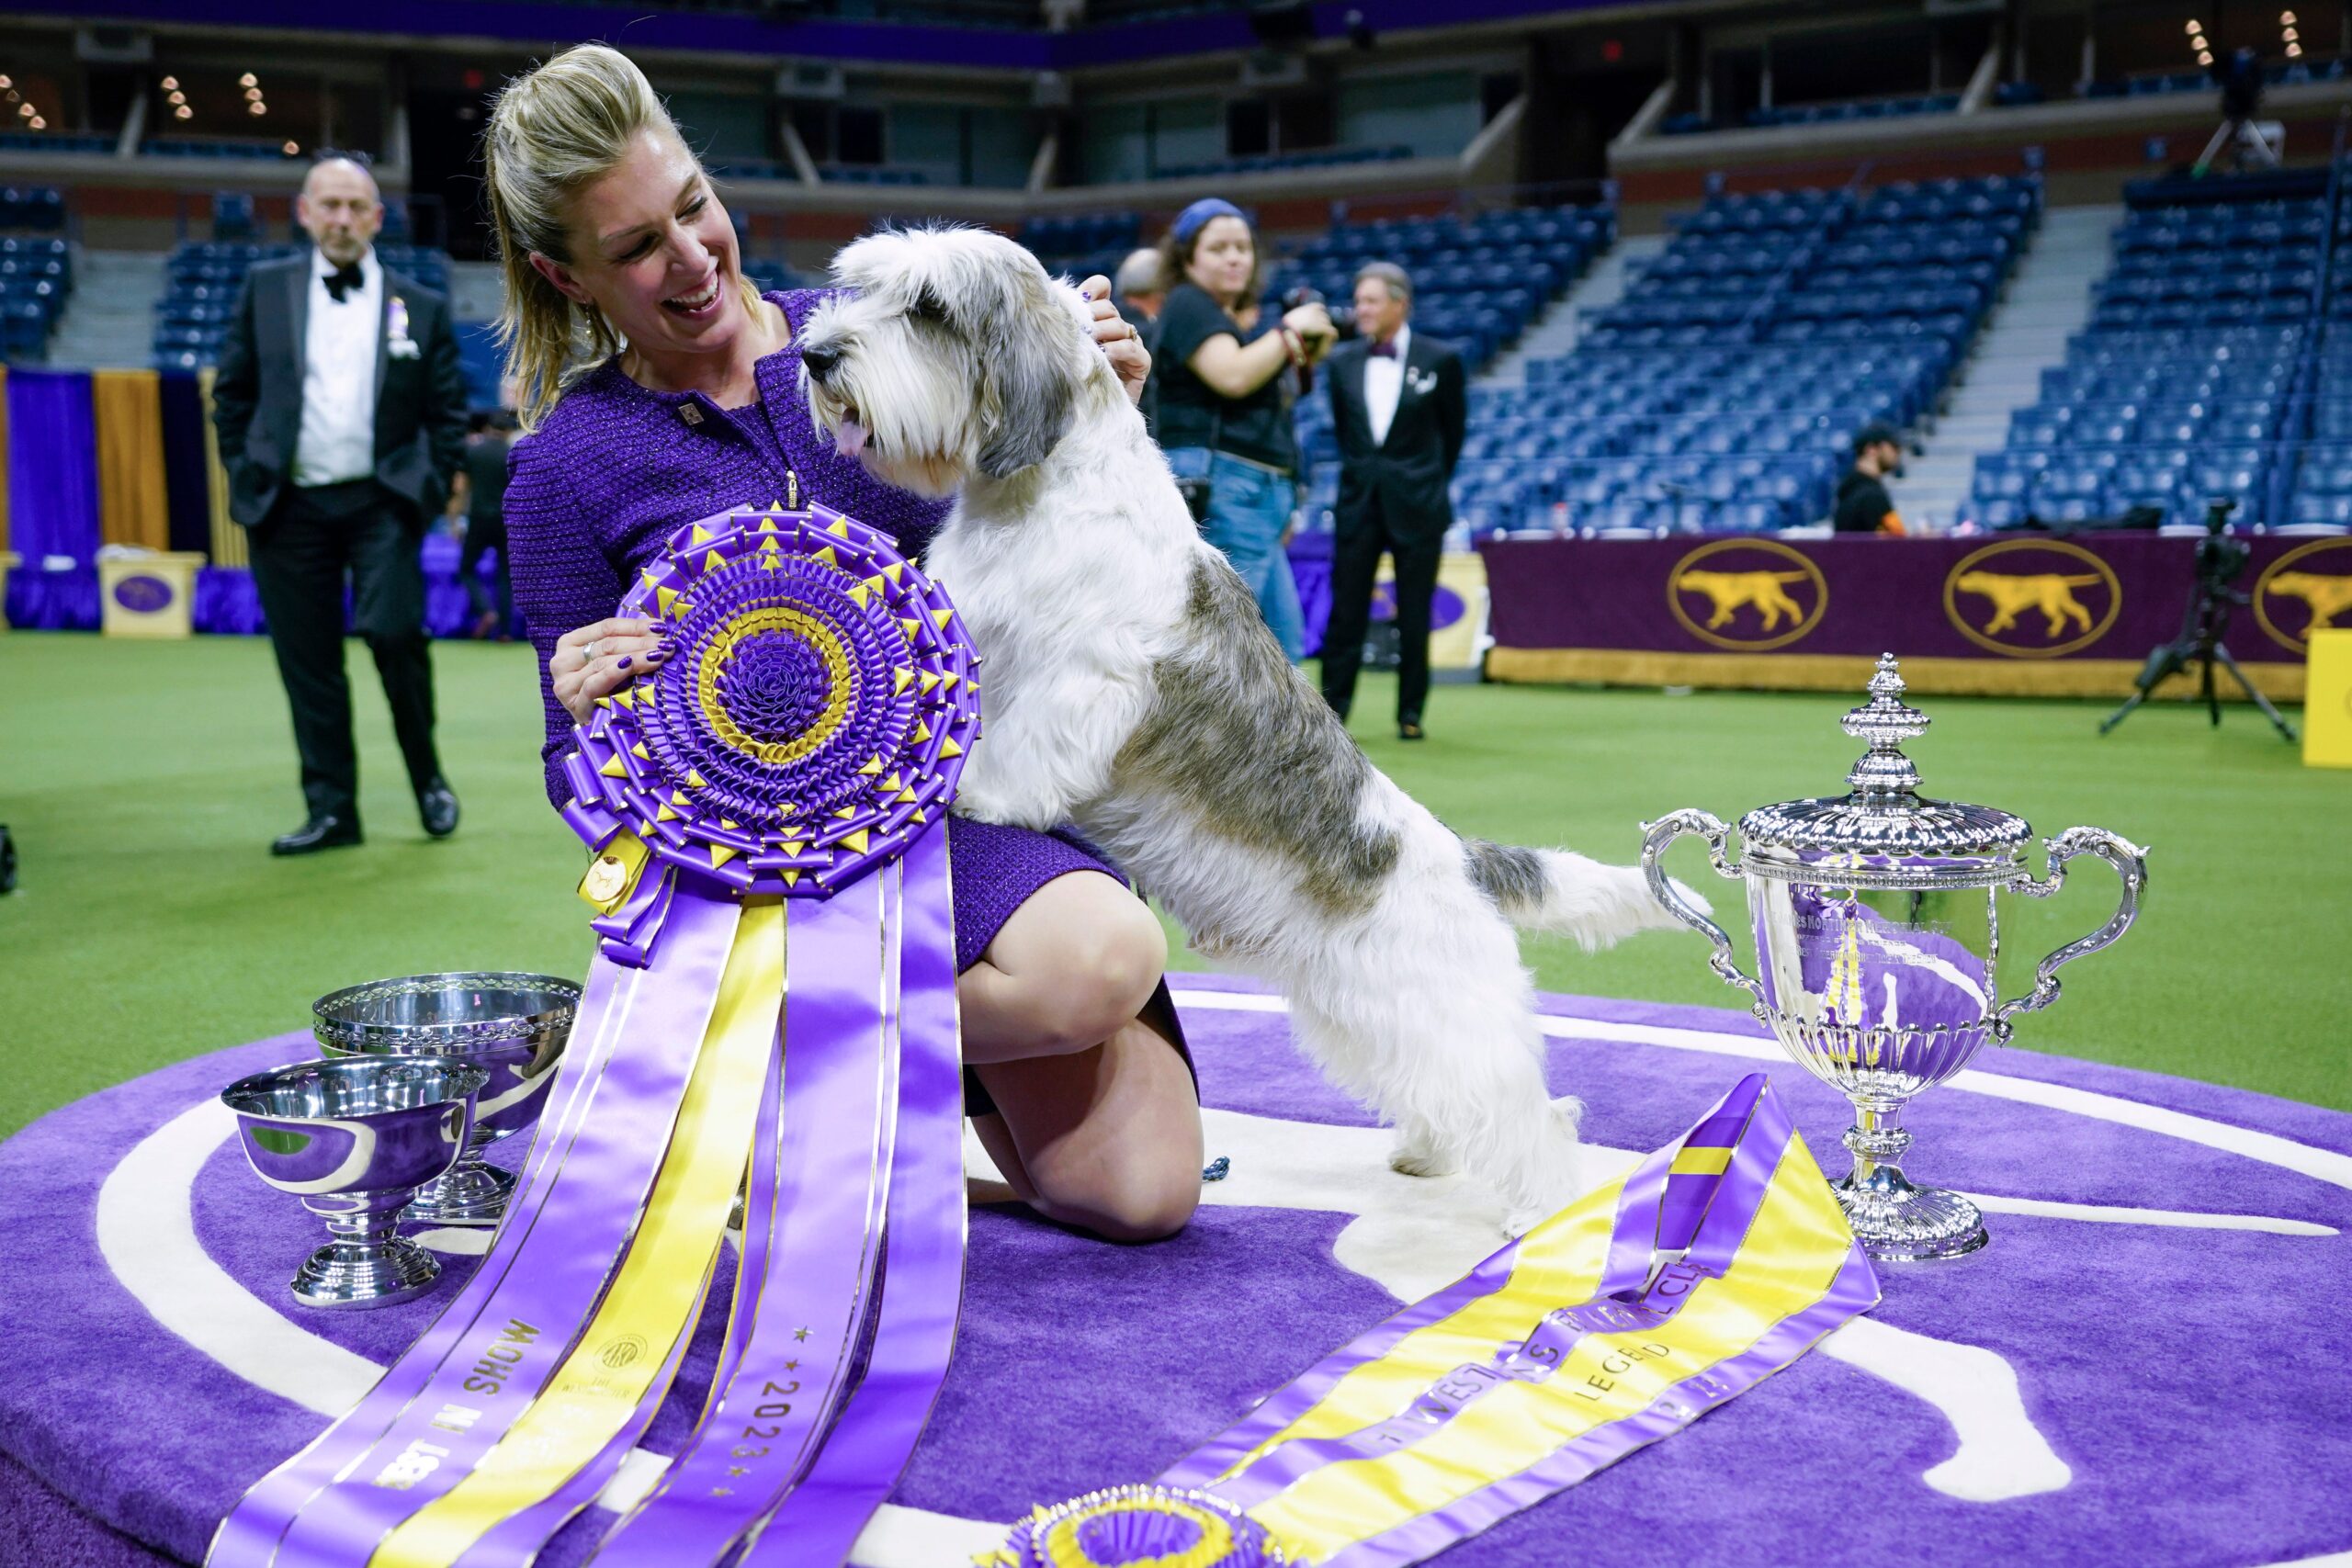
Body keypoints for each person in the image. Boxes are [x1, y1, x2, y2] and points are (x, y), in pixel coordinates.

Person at [484, 43, 1199, 1243]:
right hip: (771, 876)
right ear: (568, 275)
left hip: (967, 808)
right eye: (639, 248)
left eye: (693, 207)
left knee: (1139, 1194)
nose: (695, 257)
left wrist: (1102, 418)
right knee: (1099, 958)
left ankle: (771, 1077)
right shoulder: (562, 466)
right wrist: (593, 718)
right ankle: (769, 1049)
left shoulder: (882, 327)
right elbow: (573, 770)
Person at [213, 152, 469, 855]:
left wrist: (420, 491)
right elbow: (232, 396)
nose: (342, 218)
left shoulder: (422, 302)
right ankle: (332, 811)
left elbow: (447, 416)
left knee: (394, 636)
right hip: (285, 506)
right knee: (309, 659)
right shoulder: (264, 290)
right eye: (329, 204)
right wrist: (243, 467)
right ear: (304, 212)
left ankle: (429, 781)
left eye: (356, 206)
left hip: (382, 502)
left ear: (377, 219)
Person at [1148, 197, 1335, 660]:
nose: (1235, 257)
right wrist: (1290, 331)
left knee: (1283, 645)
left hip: (1257, 492)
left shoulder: (1226, 317)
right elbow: (1231, 375)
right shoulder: (1188, 303)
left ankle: (1277, 736)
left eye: (1243, 247)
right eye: (1218, 248)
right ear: (1188, 258)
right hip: (1226, 486)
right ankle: (1202, 735)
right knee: (1231, 648)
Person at [1317, 262, 1465, 741]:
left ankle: (1411, 714)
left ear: (1400, 304)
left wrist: (1425, 485)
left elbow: (1453, 436)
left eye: (1371, 301)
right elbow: (1347, 434)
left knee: (1417, 612)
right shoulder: (1340, 363)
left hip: (1419, 506)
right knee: (1346, 614)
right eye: (1359, 301)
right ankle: (1331, 715)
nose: (1360, 310)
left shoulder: (1441, 359)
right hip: (1359, 503)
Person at [447, 410, 518, 639]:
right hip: (505, 520)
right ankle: (506, 632)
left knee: (466, 569)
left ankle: (485, 610)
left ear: (487, 428)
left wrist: (455, 520)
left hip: (477, 518)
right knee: (505, 576)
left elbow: (461, 487)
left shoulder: (474, 451)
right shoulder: (510, 454)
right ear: (507, 432)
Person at [1834, 422, 1910, 536]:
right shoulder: (1872, 495)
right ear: (1871, 450)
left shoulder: (1849, 490)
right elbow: (1899, 541)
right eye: (1894, 447)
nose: (1897, 453)